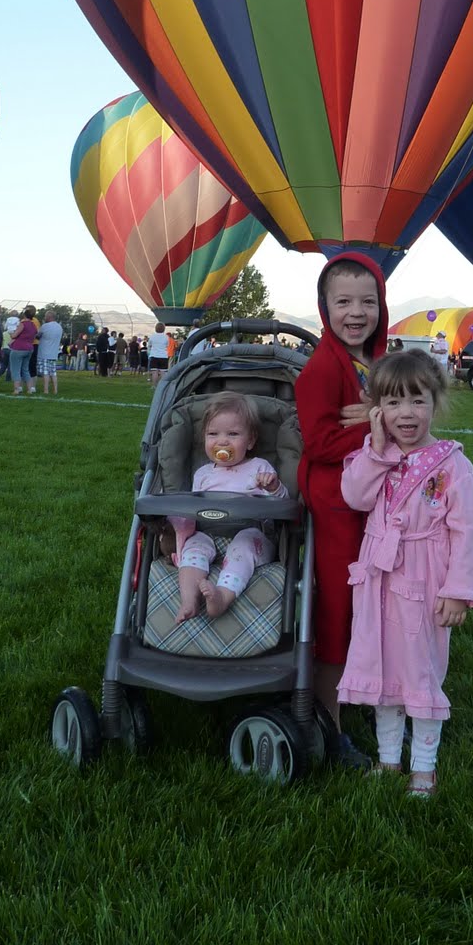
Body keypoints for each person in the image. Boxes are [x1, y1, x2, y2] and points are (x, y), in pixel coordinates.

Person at [337, 351, 473, 798]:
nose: (407, 413)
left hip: (424, 581)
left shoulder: (452, 464)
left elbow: (466, 529)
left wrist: (458, 590)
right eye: (394, 403)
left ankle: (424, 768)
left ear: (435, 402)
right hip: (378, 581)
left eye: (418, 401)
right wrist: (376, 448)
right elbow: (355, 496)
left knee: (419, 673)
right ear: (378, 409)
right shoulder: (376, 456)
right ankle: (388, 760)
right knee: (383, 672)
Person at [296, 251, 389, 769]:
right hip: (336, 507)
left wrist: (381, 414)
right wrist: (373, 423)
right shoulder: (321, 369)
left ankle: (365, 693)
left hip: (368, 501)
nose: (357, 312)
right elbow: (320, 442)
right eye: (344, 301)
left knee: (371, 600)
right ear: (324, 307)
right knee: (337, 608)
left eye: (368, 301)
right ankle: (326, 720)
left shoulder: (373, 363)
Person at [163, 392, 288, 623]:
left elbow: (282, 503)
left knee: (244, 545)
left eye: (233, 434)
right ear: (204, 439)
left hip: (251, 534)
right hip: (208, 532)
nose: (222, 441)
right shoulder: (202, 474)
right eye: (213, 434)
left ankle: (222, 597)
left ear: (250, 440)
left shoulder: (259, 468)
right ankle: (189, 599)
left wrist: (273, 487)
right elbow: (191, 511)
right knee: (193, 547)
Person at [9, 306, 40, 395]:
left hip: (19, 348)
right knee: (25, 369)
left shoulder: (23, 324)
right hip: (29, 348)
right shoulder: (33, 325)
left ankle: (17, 389)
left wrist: (11, 333)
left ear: (24, 315)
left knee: (16, 369)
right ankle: (30, 389)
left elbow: (14, 335)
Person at [37, 311, 64, 396]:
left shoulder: (45, 326)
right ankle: (55, 390)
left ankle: (46, 390)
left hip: (44, 353)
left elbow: (38, 336)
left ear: (49, 317)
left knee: (46, 372)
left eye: (45, 316)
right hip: (54, 353)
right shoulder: (59, 327)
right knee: (53, 373)